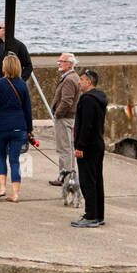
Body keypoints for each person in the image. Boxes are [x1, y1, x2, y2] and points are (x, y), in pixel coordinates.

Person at [0, 52, 34, 202]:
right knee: (14, 159)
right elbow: (27, 109)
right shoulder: (22, 85)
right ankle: (16, 193)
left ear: (4, 67)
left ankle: (2, 188)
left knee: (0, 156)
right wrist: (29, 130)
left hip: (1, 125)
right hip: (19, 126)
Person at [72, 69, 108, 228]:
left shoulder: (87, 100)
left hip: (88, 146)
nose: (79, 82)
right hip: (97, 144)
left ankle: (91, 215)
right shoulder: (99, 98)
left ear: (89, 82)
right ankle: (98, 214)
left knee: (87, 181)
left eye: (81, 79)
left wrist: (80, 145)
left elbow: (86, 125)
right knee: (97, 180)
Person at [49, 53, 81, 187]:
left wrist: (57, 114)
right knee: (68, 148)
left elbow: (67, 101)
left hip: (65, 118)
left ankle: (65, 176)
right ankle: (69, 175)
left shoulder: (69, 79)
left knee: (64, 149)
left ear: (70, 64)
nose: (59, 63)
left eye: (61, 61)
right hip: (70, 117)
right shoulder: (74, 77)